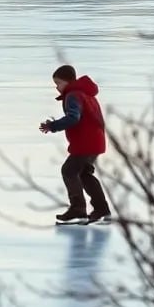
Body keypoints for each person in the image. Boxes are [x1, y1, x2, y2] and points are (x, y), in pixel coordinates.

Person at [39, 64, 110, 224]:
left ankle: (78, 209)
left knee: (69, 171)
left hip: (85, 143)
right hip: (96, 142)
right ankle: (101, 209)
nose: (57, 87)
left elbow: (73, 117)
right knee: (84, 174)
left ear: (66, 81)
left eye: (58, 83)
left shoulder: (73, 95)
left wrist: (53, 126)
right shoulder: (87, 94)